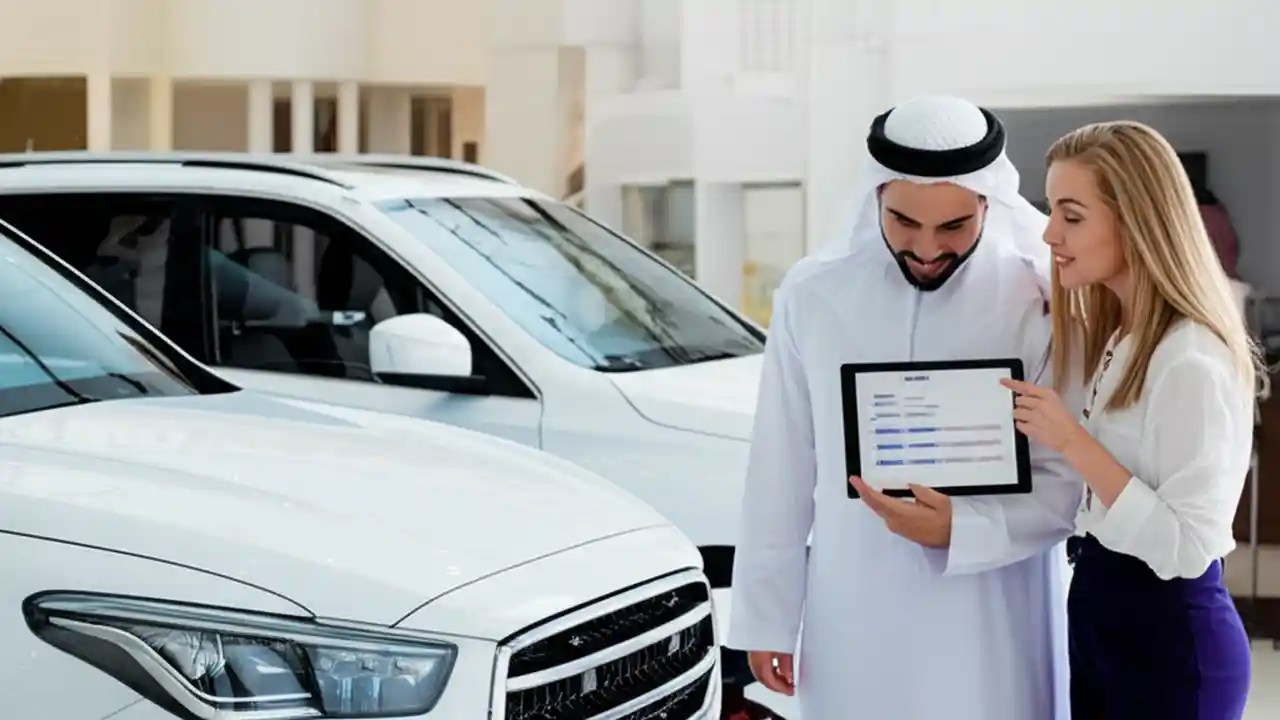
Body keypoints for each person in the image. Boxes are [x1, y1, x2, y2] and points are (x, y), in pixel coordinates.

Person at [726, 95, 1083, 720]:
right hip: (854, 610)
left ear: (986, 203)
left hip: (993, 612)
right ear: (876, 200)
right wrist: (769, 616)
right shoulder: (814, 293)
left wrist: (961, 530)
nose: (925, 249)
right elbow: (781, 464)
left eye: (953, 228)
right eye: (903, 222)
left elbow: (1069, 480)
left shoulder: (1039, 296)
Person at [1003, 120, 1258, 719]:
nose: (1049, 233)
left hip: (1170, 648)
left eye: (1071, 215)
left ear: (1135, 221)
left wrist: (1070, 439)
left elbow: (1188, 548)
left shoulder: (1191, 359)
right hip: (1102, 624)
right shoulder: (1122, 338)